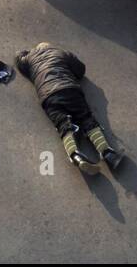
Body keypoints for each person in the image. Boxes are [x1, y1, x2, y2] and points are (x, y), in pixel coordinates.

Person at [15, 42, 123, 176]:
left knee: (63, 125)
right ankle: (107, 153)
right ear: (49, 47)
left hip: (48, 97)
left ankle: (75, 155)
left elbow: (18, 58)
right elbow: (80, 70)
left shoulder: (30, 59)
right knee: (86, 118)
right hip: (69, 89)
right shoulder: (60, 52)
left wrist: (27, 52)